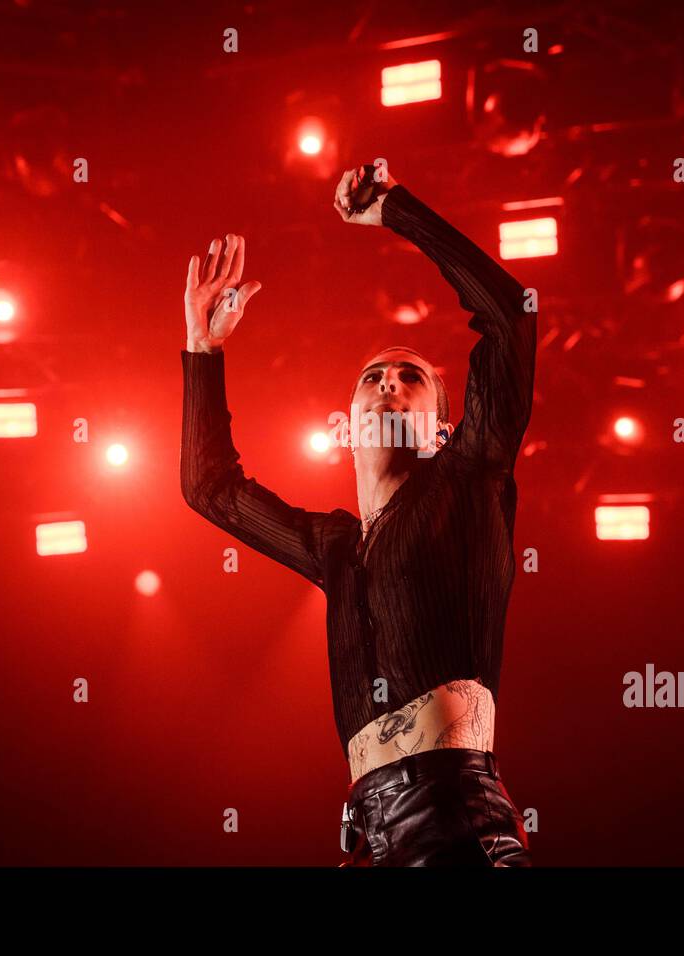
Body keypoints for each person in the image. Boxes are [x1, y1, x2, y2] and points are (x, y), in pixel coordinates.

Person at [180, 165, 536, 866]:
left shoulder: (466, 478)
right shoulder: (336, 546)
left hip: (456, 820)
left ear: (439, 428)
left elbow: (511, 315)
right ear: (348, 421)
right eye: (373, 377)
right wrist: (203, 345)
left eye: (412, 379)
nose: (389, 384)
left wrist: (397, 213)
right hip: (369, 836)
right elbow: (209, 488)